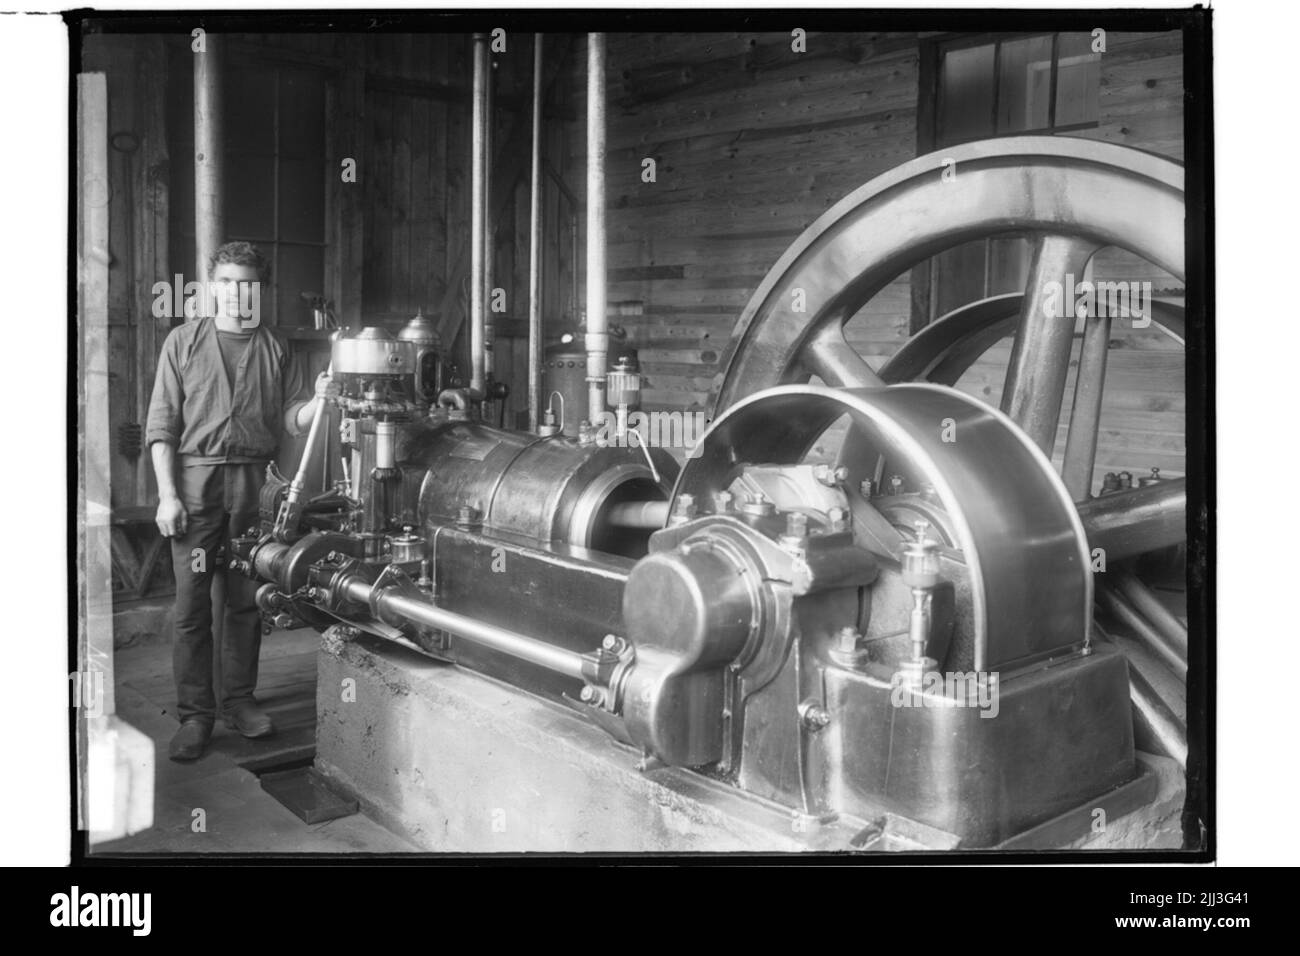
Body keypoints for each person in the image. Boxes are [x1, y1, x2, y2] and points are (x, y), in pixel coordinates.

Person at [146, 241, 337, 761]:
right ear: (212, 286)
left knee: (245, 602)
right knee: (190, 607)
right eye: (226, 282)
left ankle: (240, 701)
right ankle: (195, 716)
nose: (235, 293)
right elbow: (161, 426)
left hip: (255, 488)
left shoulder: (276, 349)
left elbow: (293, 419)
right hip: (196, 484)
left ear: (260, 290)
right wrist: (167, 496)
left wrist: (316, 401)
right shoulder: (182, 343)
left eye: (246, 283)